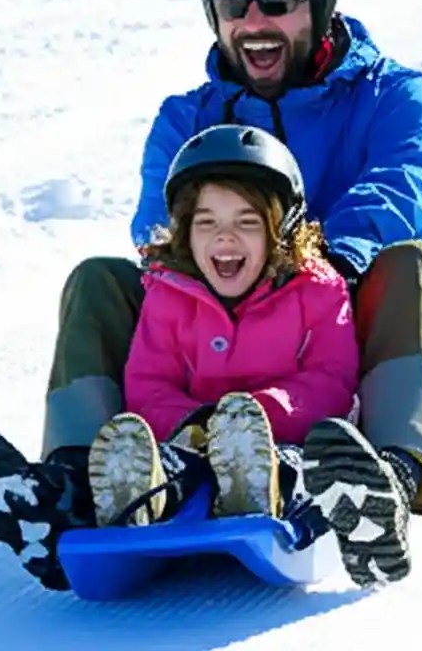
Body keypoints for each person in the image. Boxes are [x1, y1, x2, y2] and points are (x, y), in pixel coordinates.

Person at [0, 0, 422, 591]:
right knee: (99, 280)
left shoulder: (392, 96)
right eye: (232, 6)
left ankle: (382, 483)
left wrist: (308, 265)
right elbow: (157, 225)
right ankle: (74, 486)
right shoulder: (188, 115)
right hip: (207, 327)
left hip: (331, 316)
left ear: (322, 1)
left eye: (276, 3)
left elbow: (404, 185)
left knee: (412, 266)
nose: (253, 25)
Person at [85, 123, 359, 531]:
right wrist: (199, 423)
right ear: (185, 232)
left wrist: (257, 417)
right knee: (174, 464)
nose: (224, 238)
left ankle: (260, 491)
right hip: (190, 439)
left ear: (281, 231)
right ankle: (139, 497)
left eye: (247, 222)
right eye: (206, 223)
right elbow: (148, 383)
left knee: (294, 466)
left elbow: (331, 381)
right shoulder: (169, 293)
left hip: (285, 440)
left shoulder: (317, 289)